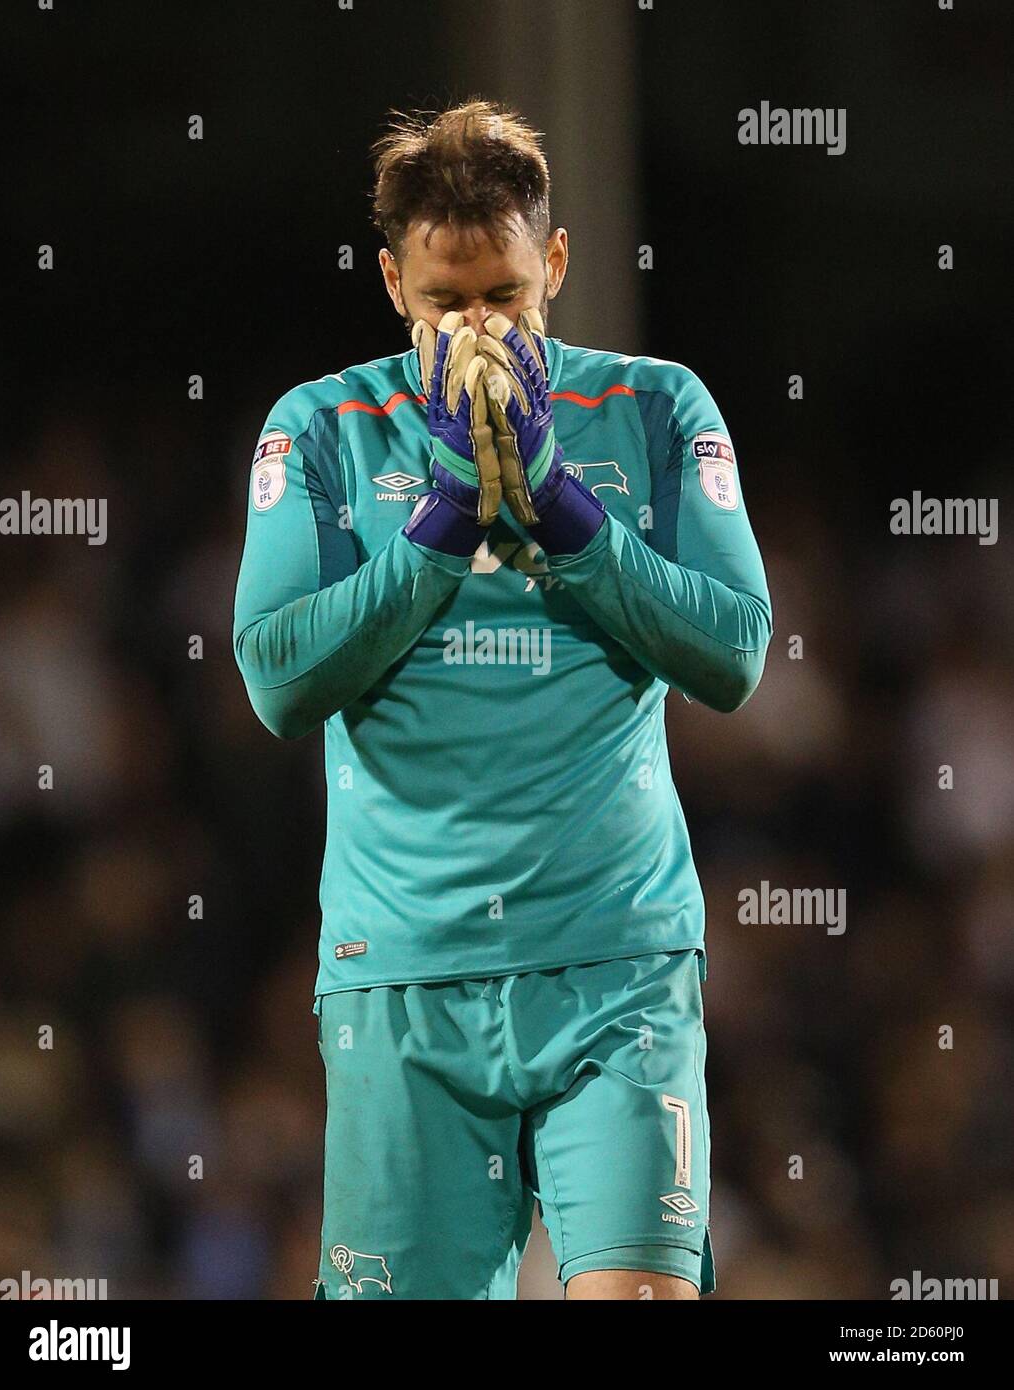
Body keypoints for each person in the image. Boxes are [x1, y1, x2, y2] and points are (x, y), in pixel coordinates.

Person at [233, 98, 772, 1300]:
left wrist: (561, 508)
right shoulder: (320, 430)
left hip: (616, 960)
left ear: (559, 265)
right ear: (390, 283)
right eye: (446, 300)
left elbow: (735, 653)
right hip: (406, 969)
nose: (481, 327)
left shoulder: (654, 408)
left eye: (509, 296)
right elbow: (275, 676)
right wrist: (440, 525)